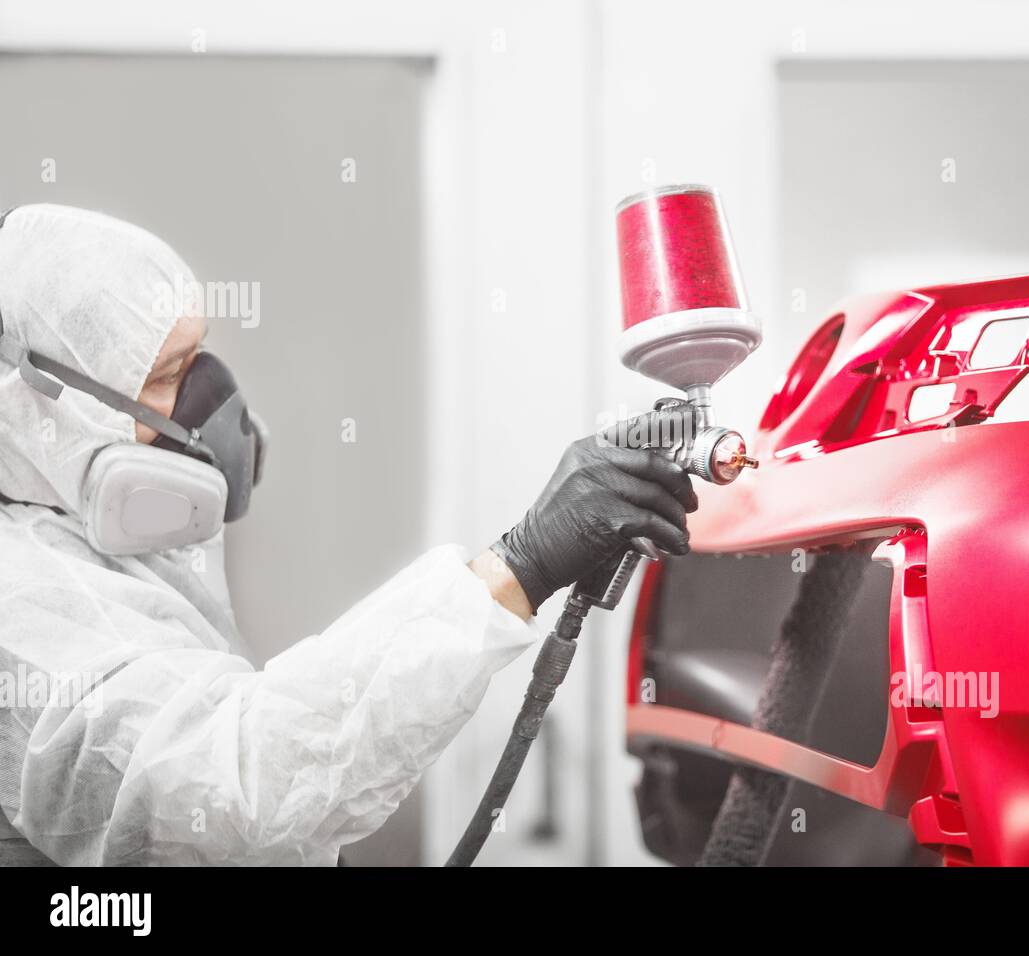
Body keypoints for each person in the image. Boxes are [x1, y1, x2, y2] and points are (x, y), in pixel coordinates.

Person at [0, 204, 696, 865]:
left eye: (197, 357)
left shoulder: (104, 553)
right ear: (43, 405)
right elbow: (238, 789)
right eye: (168, 376)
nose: (209, 402)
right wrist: (520, 566)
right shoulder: (21, 604)